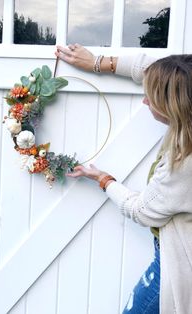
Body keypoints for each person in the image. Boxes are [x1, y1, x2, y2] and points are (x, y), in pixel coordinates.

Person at [55, 44, 192, 314]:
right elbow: (156, 70)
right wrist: (98, 62)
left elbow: (140, 211)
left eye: (151, 98)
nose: (144, 101)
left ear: (172, 106)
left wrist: (104, 179)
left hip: (179, 263)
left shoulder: (183, 164)